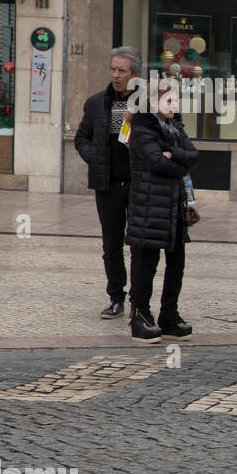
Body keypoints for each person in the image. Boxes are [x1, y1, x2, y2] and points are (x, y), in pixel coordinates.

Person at [125, 83, 198, 341]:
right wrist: (178, 164)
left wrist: (173, 154)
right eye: (169, 101)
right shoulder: (143, 127)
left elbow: (192, 155)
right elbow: (157, 162)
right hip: (149, 206)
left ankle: (169, 315)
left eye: (175, 100)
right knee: (147, 263)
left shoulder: (175, 127)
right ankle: (140, 316)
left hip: (173, 207)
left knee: (177, 263)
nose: (174, 106)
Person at [75, 47, 143, 319]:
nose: (115, 75)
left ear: (135, 74)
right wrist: (96, 158)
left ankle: (140, 299)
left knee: (139, 244)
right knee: (111, 246)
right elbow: (82, 138)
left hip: (139, 184)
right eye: (113, 69)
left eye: (122, 71)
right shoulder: (96, 103)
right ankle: (116, 297)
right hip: (108, 184)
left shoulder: (147, 103)